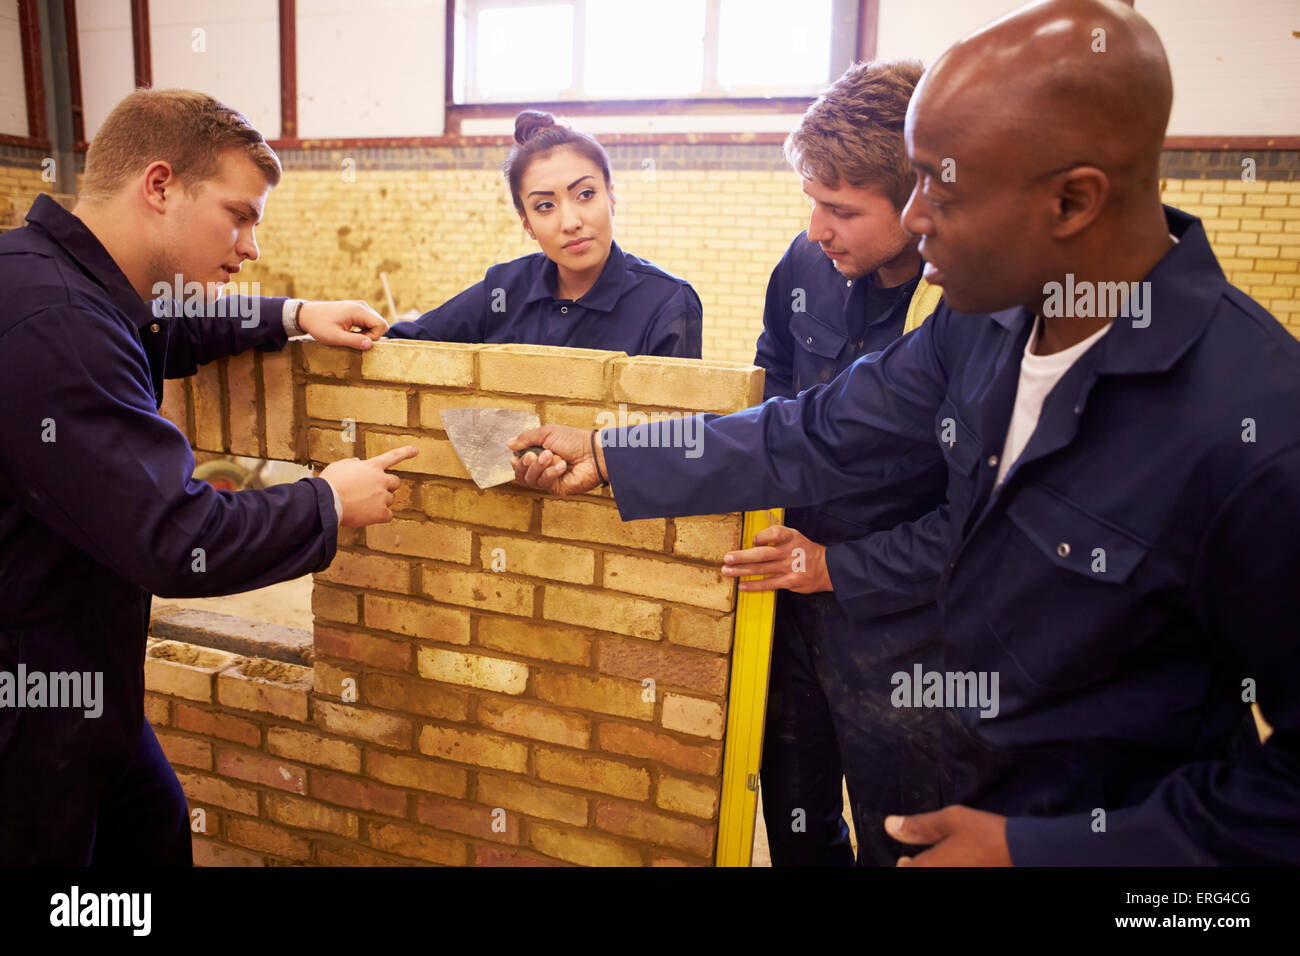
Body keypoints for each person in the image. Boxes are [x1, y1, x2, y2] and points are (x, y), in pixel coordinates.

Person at [510, 0, 1300, 865]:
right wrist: (615, 451)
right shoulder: (982, 325)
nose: (915, 219)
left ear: (1073, 200)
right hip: (928, 766)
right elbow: (815, 429)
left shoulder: (1256, 430)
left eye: (942, 190)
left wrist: (1042, 850)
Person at [0, 88, 418, 865]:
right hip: (28, 705)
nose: (251, 245)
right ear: (159, 187)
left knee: (152, 831)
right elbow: (175, 534)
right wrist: (329, 501)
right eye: (240, 214)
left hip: (80, 676)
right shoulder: (58, 326)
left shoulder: (48, 273)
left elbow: (163, 326)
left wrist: (292, 315)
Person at [744, 59, 948, 866]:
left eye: (840, 210)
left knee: (901, 835)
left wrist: (839, 566)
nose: (816, 229)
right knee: (796, 820)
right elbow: (773, 392)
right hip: (786, 602)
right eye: (811, 202)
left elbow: (979, 516)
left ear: (917, 199)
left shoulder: (967, 306)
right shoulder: (804, 267)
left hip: (904, 625)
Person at [386, 111, 702, 358]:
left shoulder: (668, 302)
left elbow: (675, 434)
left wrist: (590, 443)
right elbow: (404, 344)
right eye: (545, 206)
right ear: (528, 225)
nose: (570, 222)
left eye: (586, 194)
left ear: (612, 198)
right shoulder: (503, 292)